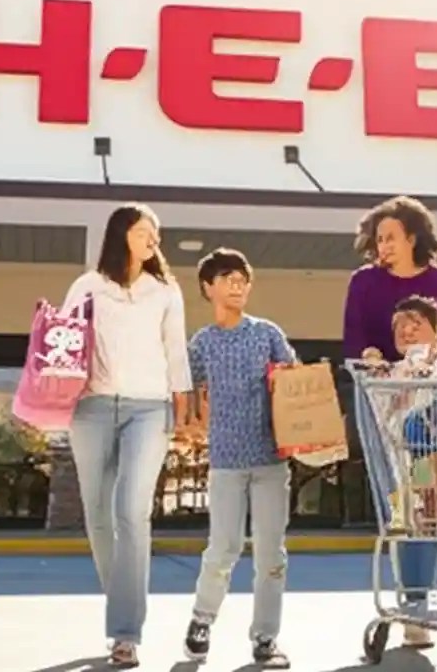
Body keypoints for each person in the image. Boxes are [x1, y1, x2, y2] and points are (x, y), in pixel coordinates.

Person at [61, 203, 192, 669]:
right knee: (98, 514)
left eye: (156, 232)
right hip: (90, 408)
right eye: (143, 231)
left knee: (132, 512)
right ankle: (120, 598)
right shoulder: (87, 286)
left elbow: (176, 352)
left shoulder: (165, 291)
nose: (153, 239)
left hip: (148, 407)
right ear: (121, 235)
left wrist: (183, 408)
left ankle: (125, 632)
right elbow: (62, 346)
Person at [342, 195, 437, 651]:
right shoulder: (364, 282)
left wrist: (431, 367)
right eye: (378, 239)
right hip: (381, 406)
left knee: (426, 505)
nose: (383, 246)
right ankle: (413, 602)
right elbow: (352, 339)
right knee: (399, 508)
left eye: (391, 237)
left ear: (413, 237)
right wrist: (370, 357)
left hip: (430, 411)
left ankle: (418, 605)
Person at [181, 248, 295, 669]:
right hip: (226, 461)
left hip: (271, 460)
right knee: (223, 548)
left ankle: (266, 637)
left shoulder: (267, 334)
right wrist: (188, 426)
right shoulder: (202, 343)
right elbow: (186, 393)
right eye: (227, 279)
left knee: (271, 554)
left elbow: (296, 383)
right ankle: (201, 619)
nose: (237, 286)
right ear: (207, 287)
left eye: (243, 280)